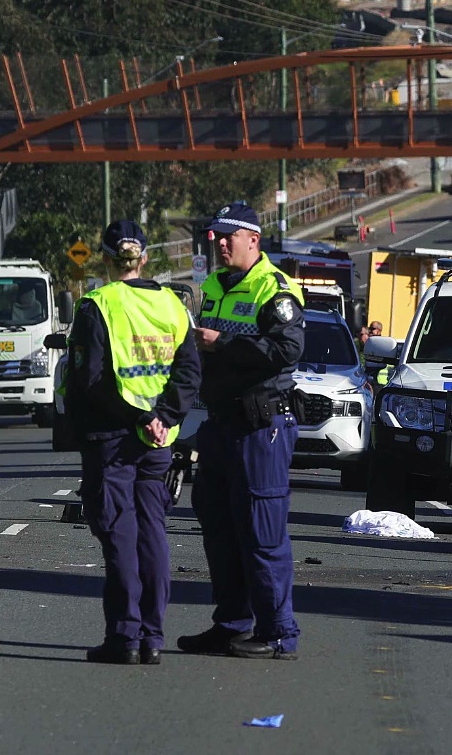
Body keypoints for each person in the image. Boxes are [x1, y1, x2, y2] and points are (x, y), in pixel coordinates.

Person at [61, 220, 201, 665]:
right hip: (157, 440)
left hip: (113, 438)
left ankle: (124, 635)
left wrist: (140, 417)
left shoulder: (97, 305)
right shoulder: (173, 306)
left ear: (104, 258)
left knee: (119, 533)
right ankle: (153, 636)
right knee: (152, 532)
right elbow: (190, 372)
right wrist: (164, 417)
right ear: (143, 259)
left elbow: (92, 380)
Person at [176, 202, 306, 660]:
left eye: (230, 235)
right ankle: (231, 623)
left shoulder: (275, 288)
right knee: (219, 527)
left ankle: (277, 633)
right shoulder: (212, 287)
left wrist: (222, 343)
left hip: (261, 426)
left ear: (254, 238)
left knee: (261, 531)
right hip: (221, 424)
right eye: (217, 235)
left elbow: (287, 349)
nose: (221, 242)